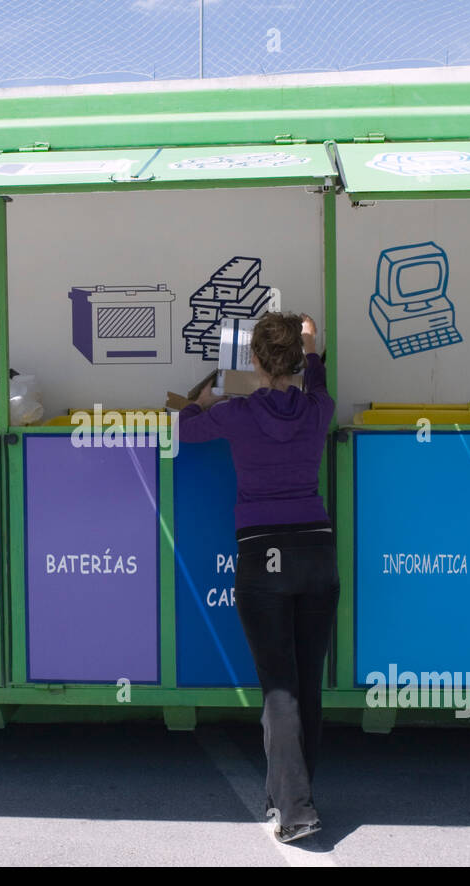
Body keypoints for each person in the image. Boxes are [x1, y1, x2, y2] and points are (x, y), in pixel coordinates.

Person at [177, 312, 339, 844]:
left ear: (252, 361)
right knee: (306, 683)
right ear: (297, 359)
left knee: (279, 686)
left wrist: (199, 402)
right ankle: (293, 797)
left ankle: (294, 810)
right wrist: (312, 347)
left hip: (262, 553)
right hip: (316, 551)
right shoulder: (320, 408)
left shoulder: (236, 414)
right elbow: (316, 378)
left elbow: (183, 430)